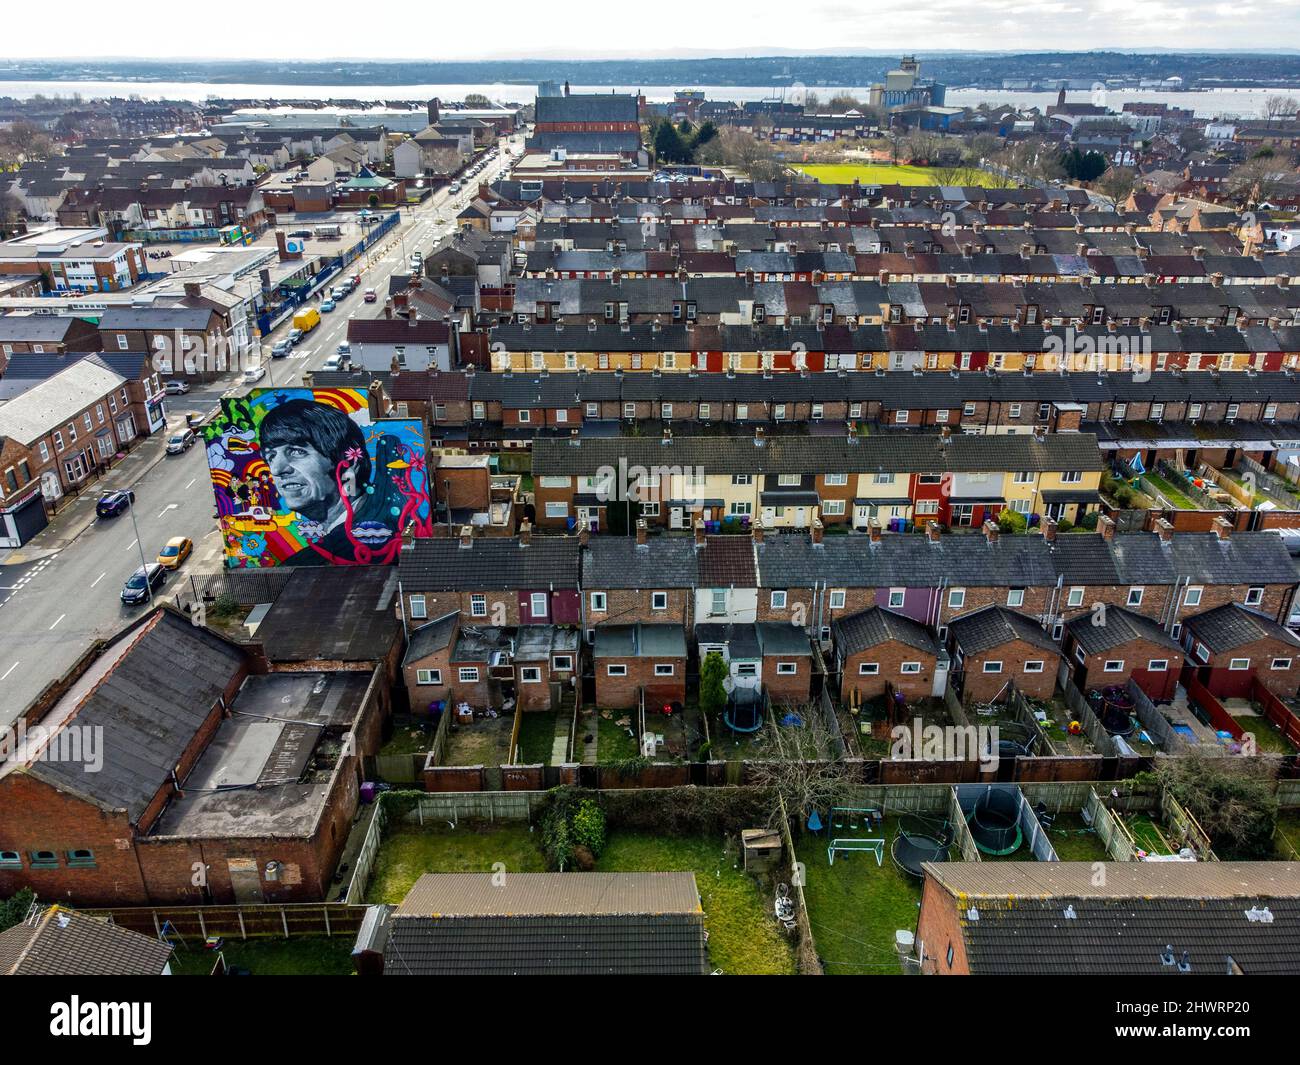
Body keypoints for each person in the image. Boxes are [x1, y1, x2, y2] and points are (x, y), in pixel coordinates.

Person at [259, 398, 370, 565]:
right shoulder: (321, 550)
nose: (277, 470)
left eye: (296, 451)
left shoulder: (377, 535)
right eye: (271, 457)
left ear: (350, 463)